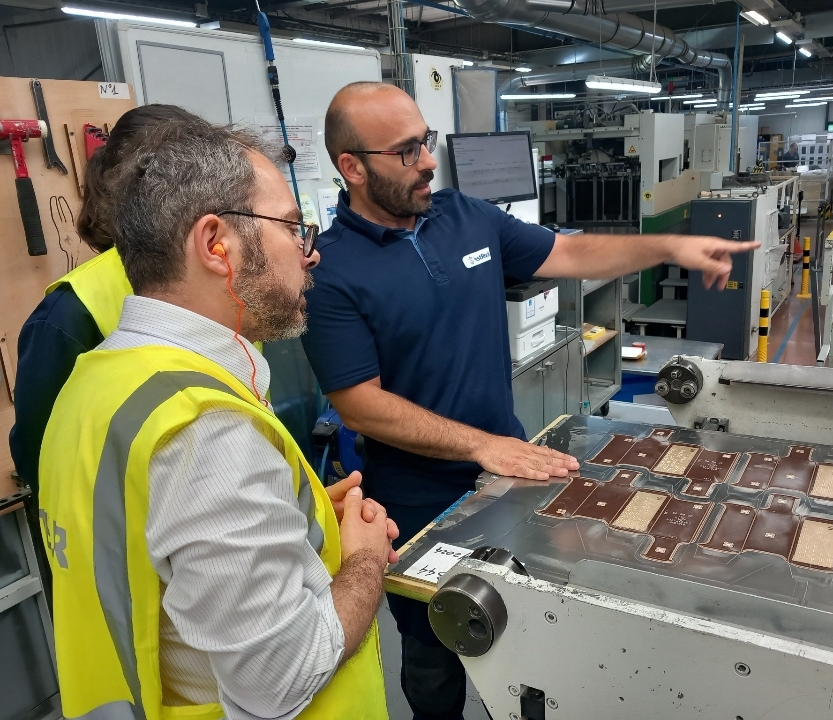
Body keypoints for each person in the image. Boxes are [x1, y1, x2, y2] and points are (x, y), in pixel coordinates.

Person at [301, 81, 759, 720]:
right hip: (415, 502)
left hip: (509, 474)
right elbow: (360, 405)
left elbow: (568, 252)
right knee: (434, 653)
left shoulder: (465, 215)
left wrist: (669, 245)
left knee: (527, 632)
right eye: (406, 151)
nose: (428, 161)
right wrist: (482, 445)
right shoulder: (329, 271)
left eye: (425, 141)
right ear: (352, 167)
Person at [38, 117, 395, 719]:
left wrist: (298, 521)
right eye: (290, 227)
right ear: (215, 244)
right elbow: (280, 680)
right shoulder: (206, 429)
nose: (309, 253)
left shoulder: (98, 382)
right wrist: (363, 560)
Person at [10, 104, 195, 602]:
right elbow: (43, 456)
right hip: (126, 562)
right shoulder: (70, 313)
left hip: (214, 534)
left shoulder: (217, 282)